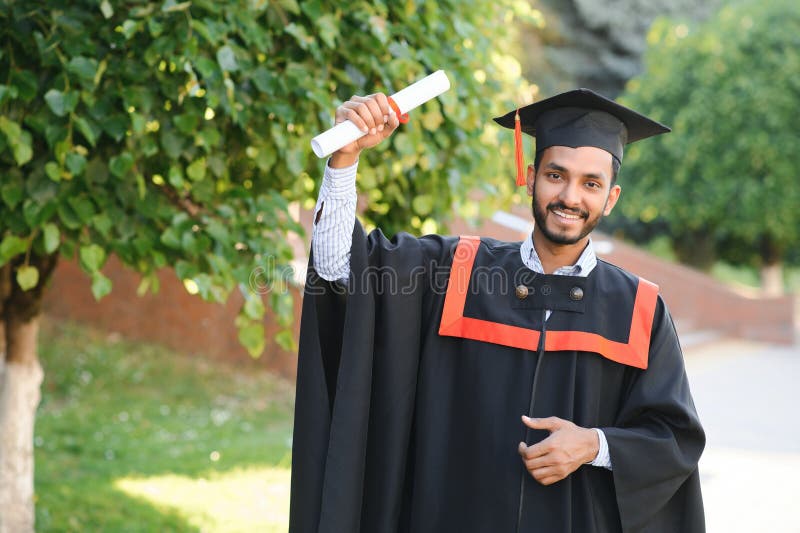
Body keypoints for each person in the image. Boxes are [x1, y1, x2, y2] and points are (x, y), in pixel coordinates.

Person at [290, 88, 705, 533]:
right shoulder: (455, 272)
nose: (569, 196)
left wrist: (594, 445)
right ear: (530, 177)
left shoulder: (637, 307)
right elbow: (338, 269)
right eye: (555, 175)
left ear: (611, 197)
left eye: (591, 183)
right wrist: (344, 161)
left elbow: (673, 438)